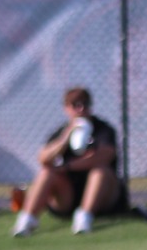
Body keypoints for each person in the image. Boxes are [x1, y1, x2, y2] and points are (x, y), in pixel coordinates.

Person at [13, 85, 125, 236]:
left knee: (100, 171)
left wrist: (68, 166)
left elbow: (104, 156)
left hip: (103, 194)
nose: (80, 109)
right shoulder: (61, 132)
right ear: (66, 108)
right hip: (67, 195)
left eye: (85, 104)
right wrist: (65, 139)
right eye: (75, 104)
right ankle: (27, 220)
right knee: (46, 172)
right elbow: (43, 159)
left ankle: (84, 217)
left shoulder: (103, 129)